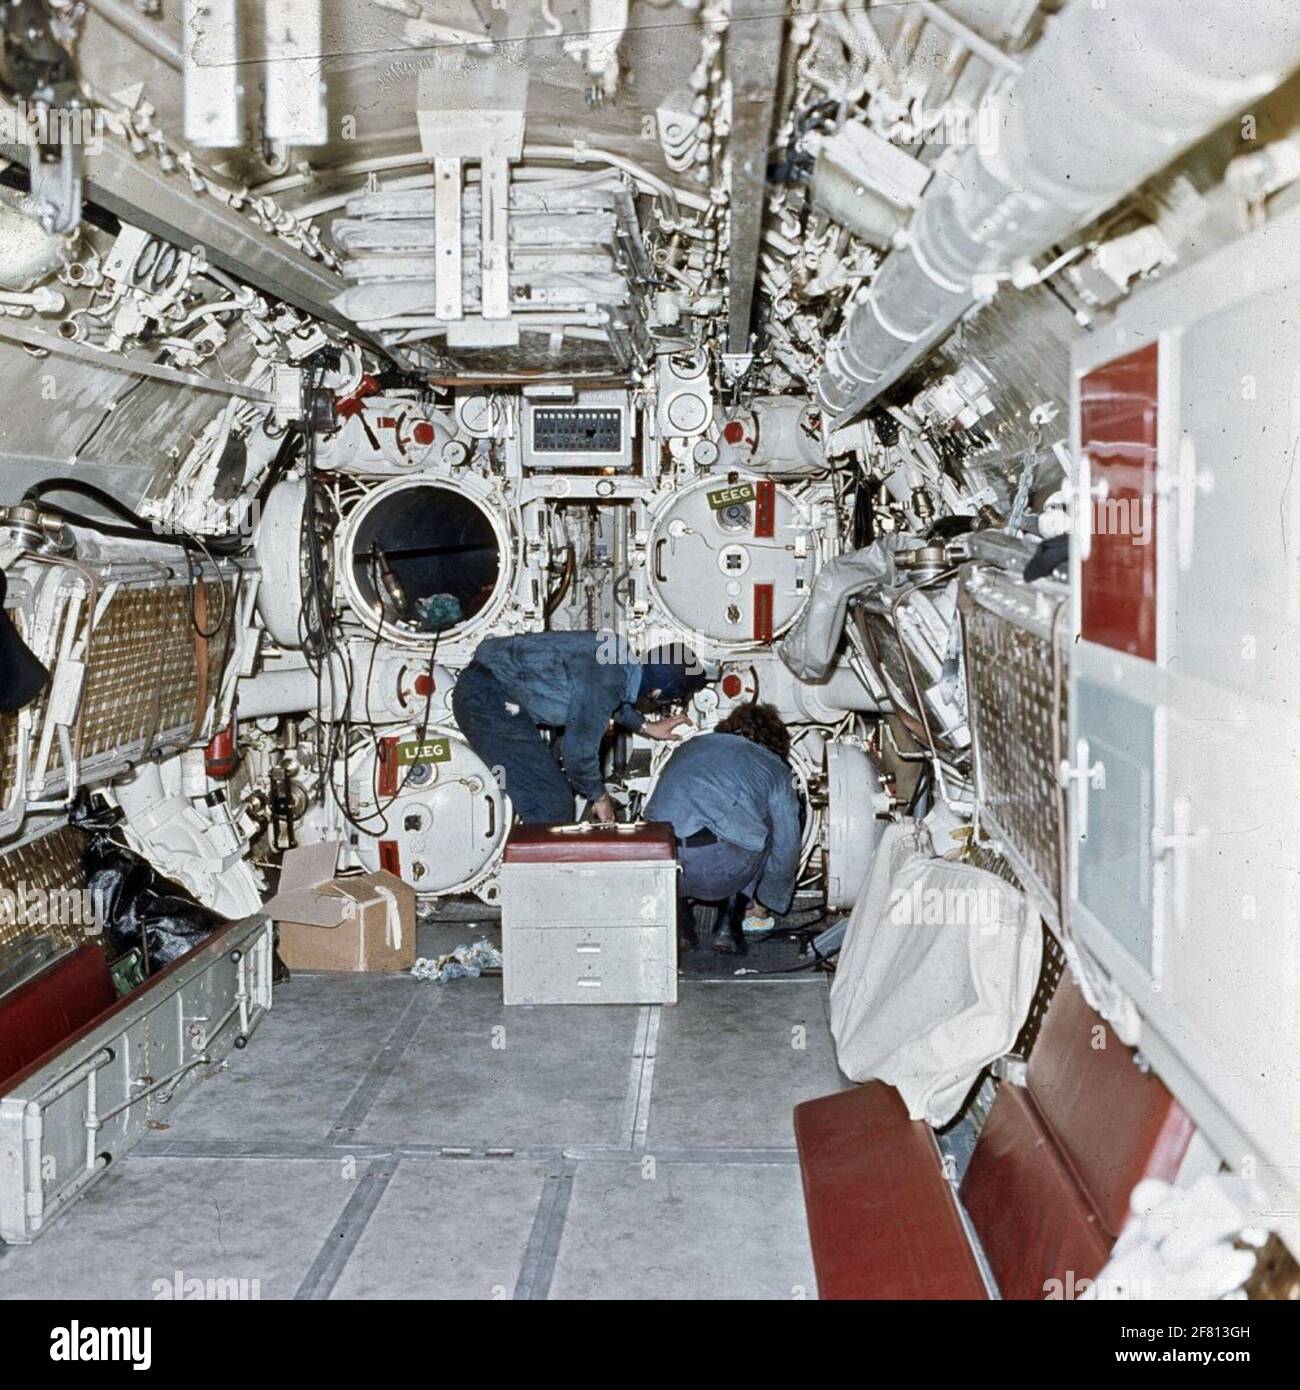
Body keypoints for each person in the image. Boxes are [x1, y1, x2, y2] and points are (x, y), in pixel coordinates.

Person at [452, 631, 706, 824]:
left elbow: (601, 697)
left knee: (545, 787)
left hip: (488, 690)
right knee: (552, 803)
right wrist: (600, 797)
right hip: (487, 703)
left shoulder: (616, 654)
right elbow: (577, 753)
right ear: (658, 693)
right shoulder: (610, 681)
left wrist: (646, 726)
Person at [644, 702, 801, 952]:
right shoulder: (776, 769)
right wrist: (767, 900)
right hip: (721, 868)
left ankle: (680, 926)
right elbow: (787, 845)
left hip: (662, 865)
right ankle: (728, 927)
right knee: (766, 827)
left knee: (682, 826)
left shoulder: (689, 746)